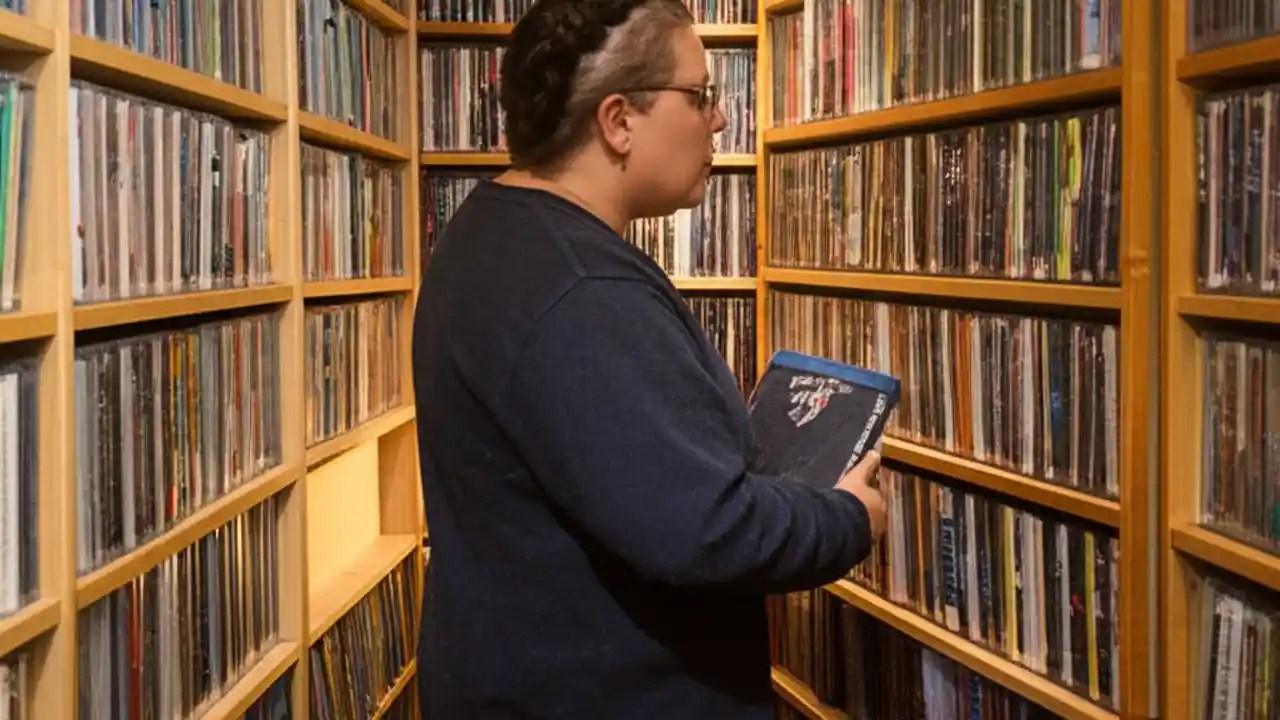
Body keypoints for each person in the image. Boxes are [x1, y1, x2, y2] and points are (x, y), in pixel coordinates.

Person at [410, 0, 887, 716]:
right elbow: (704, 530)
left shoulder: (489, 231)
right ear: (619, 121)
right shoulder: (578, 288)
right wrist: (849, 519)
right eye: (700, 96)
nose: (719, 120)